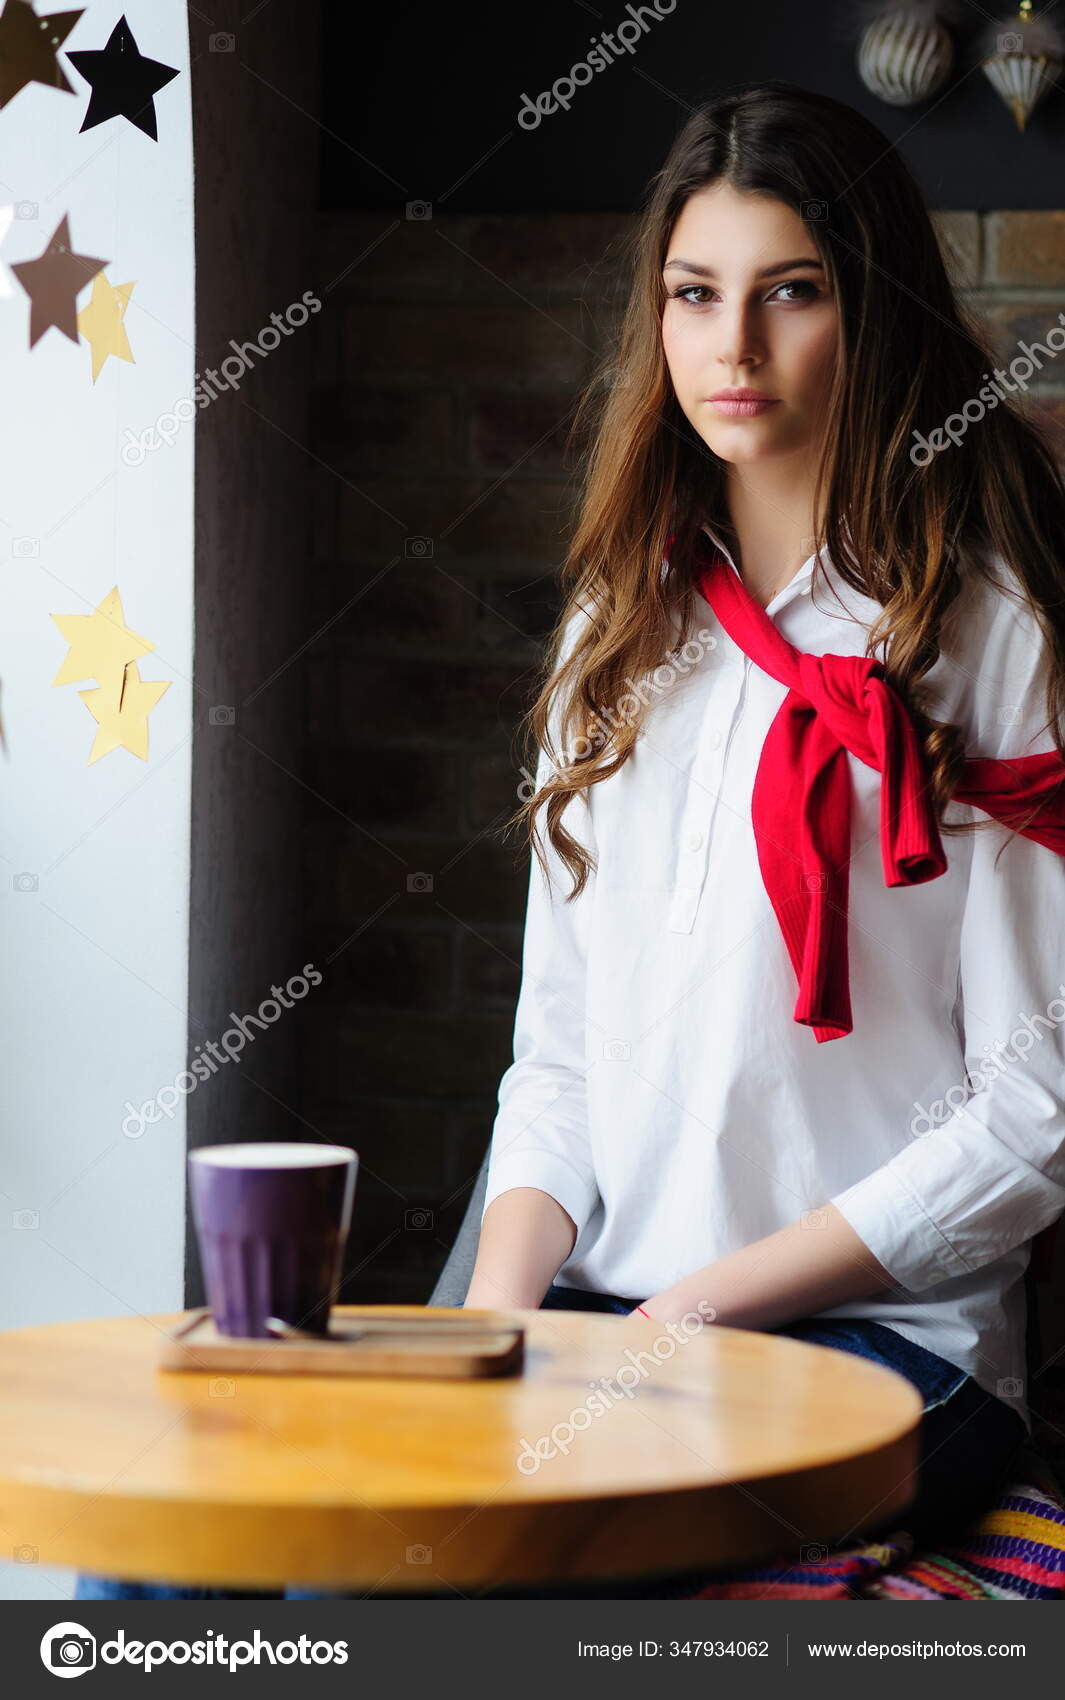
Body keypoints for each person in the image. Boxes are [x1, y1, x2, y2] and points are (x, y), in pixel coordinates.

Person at [77, 78, 1064, 1604]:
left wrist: (707, 1307)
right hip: (602, 1313)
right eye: (693, 294)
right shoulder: (618, 635)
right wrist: (493, 1322)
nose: (730, 348)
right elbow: (561, 1062)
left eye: (789, 293)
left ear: (872, 313)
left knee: (420, 1585)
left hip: (884, 1348)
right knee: (161, 1561)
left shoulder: (989, 639)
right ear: (653, 317)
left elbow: (1035, 1107)